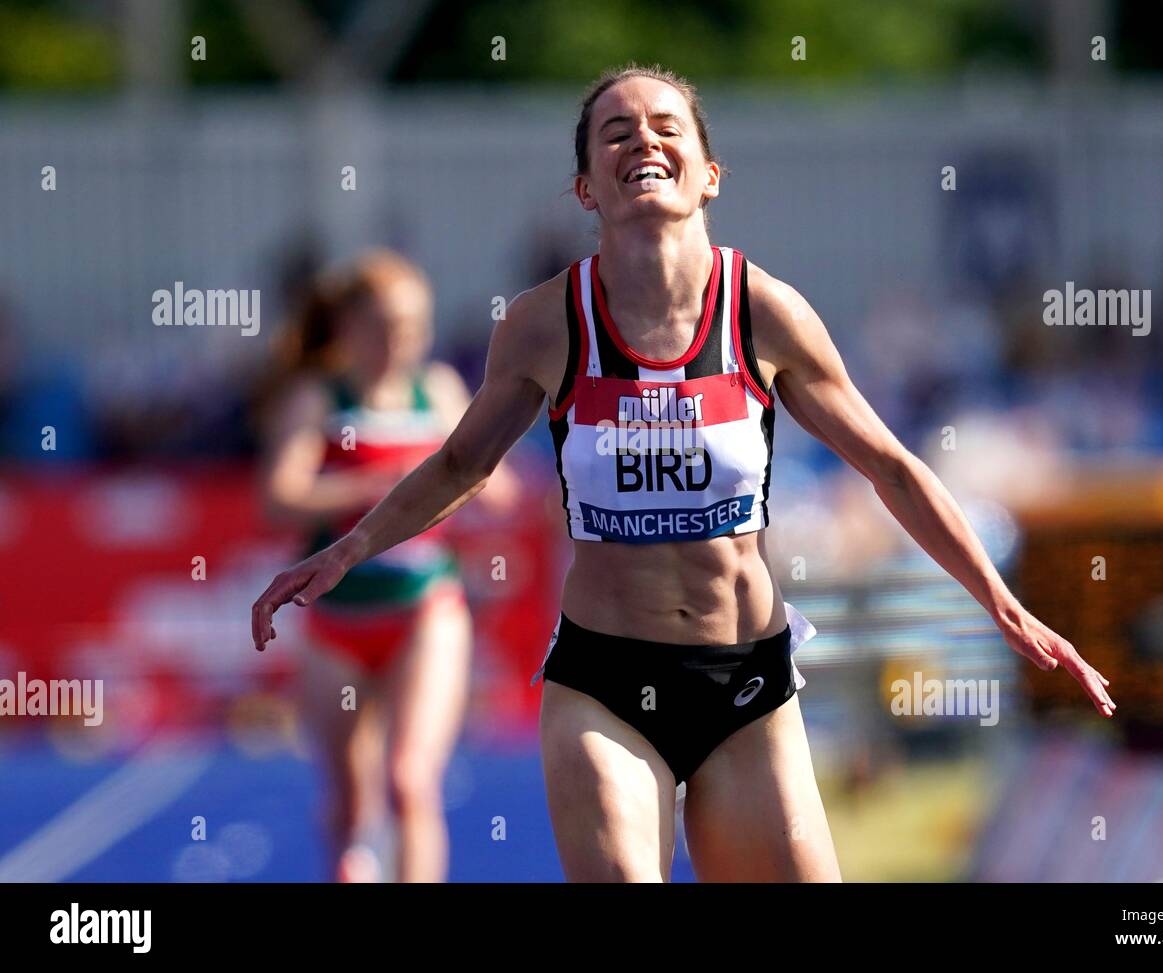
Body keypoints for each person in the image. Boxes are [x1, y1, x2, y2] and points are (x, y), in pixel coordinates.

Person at [252, 66, 1116, 883]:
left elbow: (890, 465)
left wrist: (1001, 603)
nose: (643, 142)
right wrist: (347, 550)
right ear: (587, 187)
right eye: (616, 132)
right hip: (605, 683)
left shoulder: (763, 310)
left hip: (744, 683)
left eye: (667, 127)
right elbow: (459, 464)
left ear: (709, 175)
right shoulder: (545, 324)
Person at [254, 249, 517, 882]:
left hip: (423, 609)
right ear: (348, 329)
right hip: (336, 619)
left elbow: (498, 487)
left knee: (408, 781)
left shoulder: (440, 391)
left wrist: (447, 483)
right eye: (382, 325)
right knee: (348, 800)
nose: (398, 340)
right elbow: (280, 497)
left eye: (411, 325)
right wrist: (382, 482)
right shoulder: (321, 397)